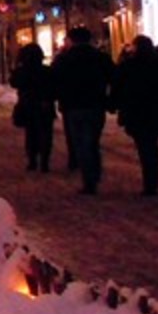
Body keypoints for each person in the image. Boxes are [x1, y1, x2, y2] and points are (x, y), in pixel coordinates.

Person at [51, 26, 115, 194]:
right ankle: (94, 171)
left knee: (81, 142)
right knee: (92, 140)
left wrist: (59, 98)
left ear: (72, 40)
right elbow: (113, 77)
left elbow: (55, 80)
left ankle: (90, 178)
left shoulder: (64, 59)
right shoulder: (100, 58)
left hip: (74, 105)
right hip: (96, 104)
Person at [111, 34, 158, 195]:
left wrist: (113, 104)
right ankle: (153, 179)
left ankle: (150, 181)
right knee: (151, 144)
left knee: (144, 146)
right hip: (155, 110)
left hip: (136, 111)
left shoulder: (129, 65)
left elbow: (118, 86)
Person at [9, 41, 56, 171]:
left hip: (27, 104)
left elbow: (14, 83)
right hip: (45, 105)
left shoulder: (21, 71)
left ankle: (32, 160)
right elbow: (54, 87)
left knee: (31, 133)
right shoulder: (47, 71)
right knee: (46, 133)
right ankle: (45, 161)